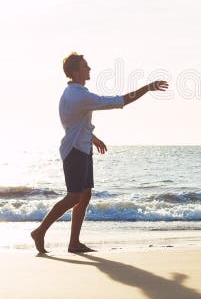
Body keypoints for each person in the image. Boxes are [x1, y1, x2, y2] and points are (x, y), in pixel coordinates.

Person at [31, 52, 168, 254]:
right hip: (74, 151)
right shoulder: (79, 96)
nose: (89, 68)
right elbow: (119, 101)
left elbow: (76, 124)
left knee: (85, 196)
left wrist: (93, 139)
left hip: (82, 148)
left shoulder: (75, 93)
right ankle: (40, 231)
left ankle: (74, 243)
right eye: (85, 66)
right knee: (74, 197)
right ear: (75, 71)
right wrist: (147, 88)